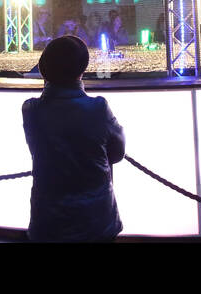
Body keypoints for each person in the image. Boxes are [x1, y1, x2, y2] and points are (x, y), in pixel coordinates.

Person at [22, 36, 125, 242]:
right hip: (96, 223)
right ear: (82, 69)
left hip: (48, 224)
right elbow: (118, 152)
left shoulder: (31, 110)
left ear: (43, 68)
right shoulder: (98, 108)